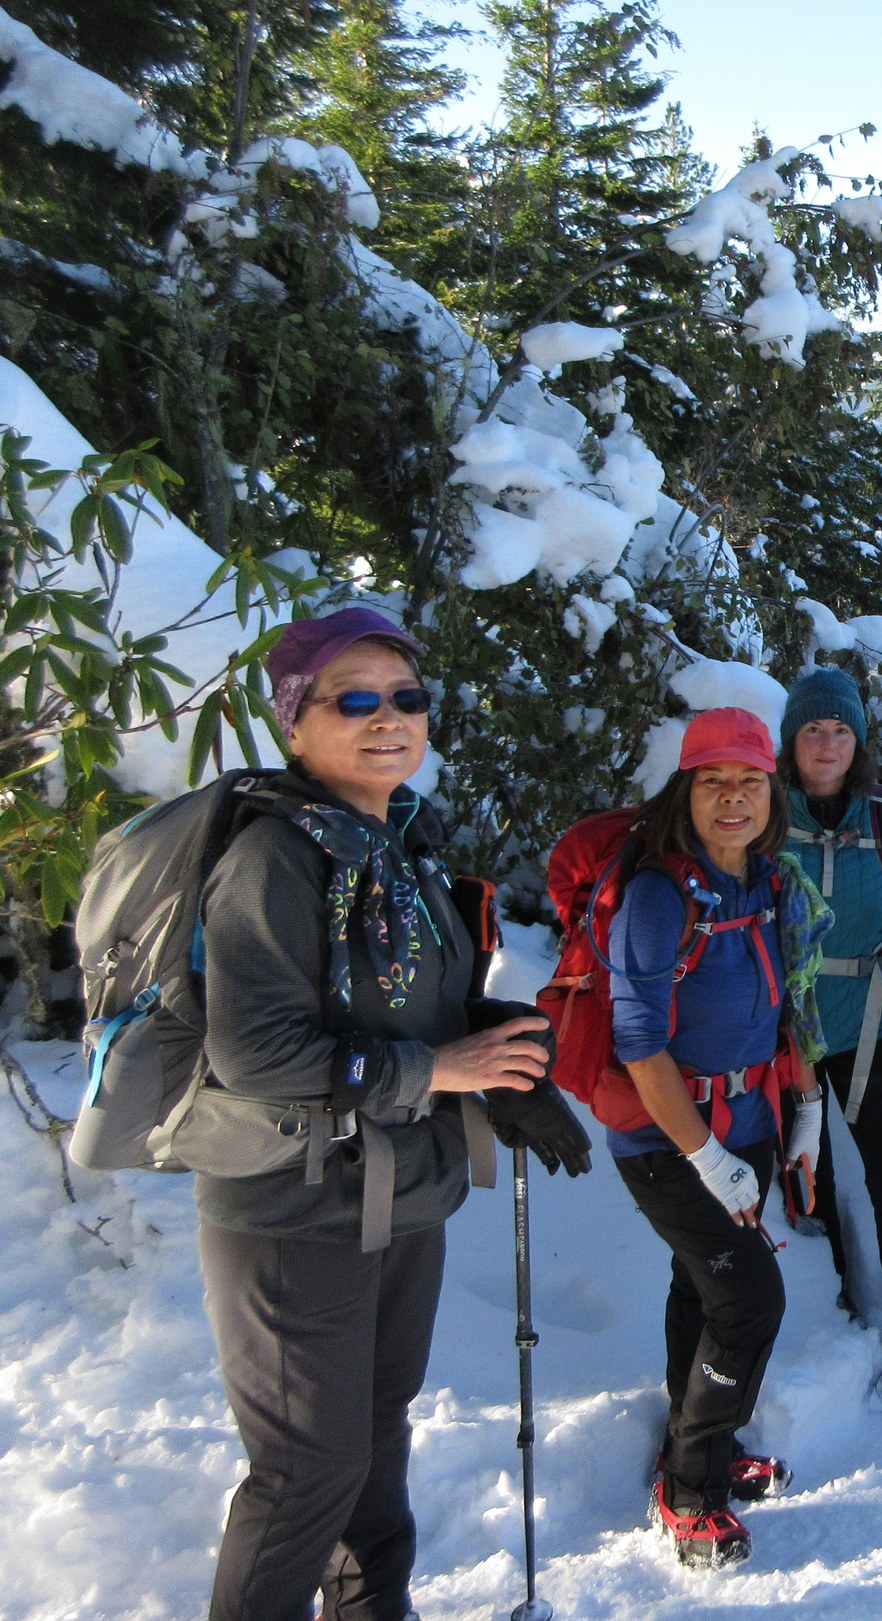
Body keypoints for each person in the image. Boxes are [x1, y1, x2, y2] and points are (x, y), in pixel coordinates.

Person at [197, 606, 592, 1621]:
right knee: (304, 1477)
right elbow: (256, 1053)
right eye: (355, 699)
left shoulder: (394, 845)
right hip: (294, 1213)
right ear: (296, 723)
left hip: (398, 1196)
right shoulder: (274, 860)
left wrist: (499, 1052)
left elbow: (411, 1006)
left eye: (406, 697)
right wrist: (440, 1068)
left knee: (374, 1443)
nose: (388, 718)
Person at [606, 706, 830, 1568]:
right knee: (750, 1300)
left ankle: (702, 1444)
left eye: (749, 782)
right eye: (713, 782)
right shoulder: (660, 895)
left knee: (704, 1291)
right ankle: (690, 1486)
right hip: (671, 1142)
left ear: (772, 794)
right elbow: (639, 1043)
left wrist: (803, 1106)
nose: (732, 798)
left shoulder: (766, 881)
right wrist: (705, 1156)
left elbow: (789, 1002)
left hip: (752, 1125)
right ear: (686, 793)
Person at [779, 667, 882, 1403]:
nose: (826, 742)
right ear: (791, 738)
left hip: (871, 1018)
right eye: (813, 728)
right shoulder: (763, 810)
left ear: (859, 740)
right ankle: (833, 1304)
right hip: (785, 1031)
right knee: (807, 1177)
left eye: (840, 729)